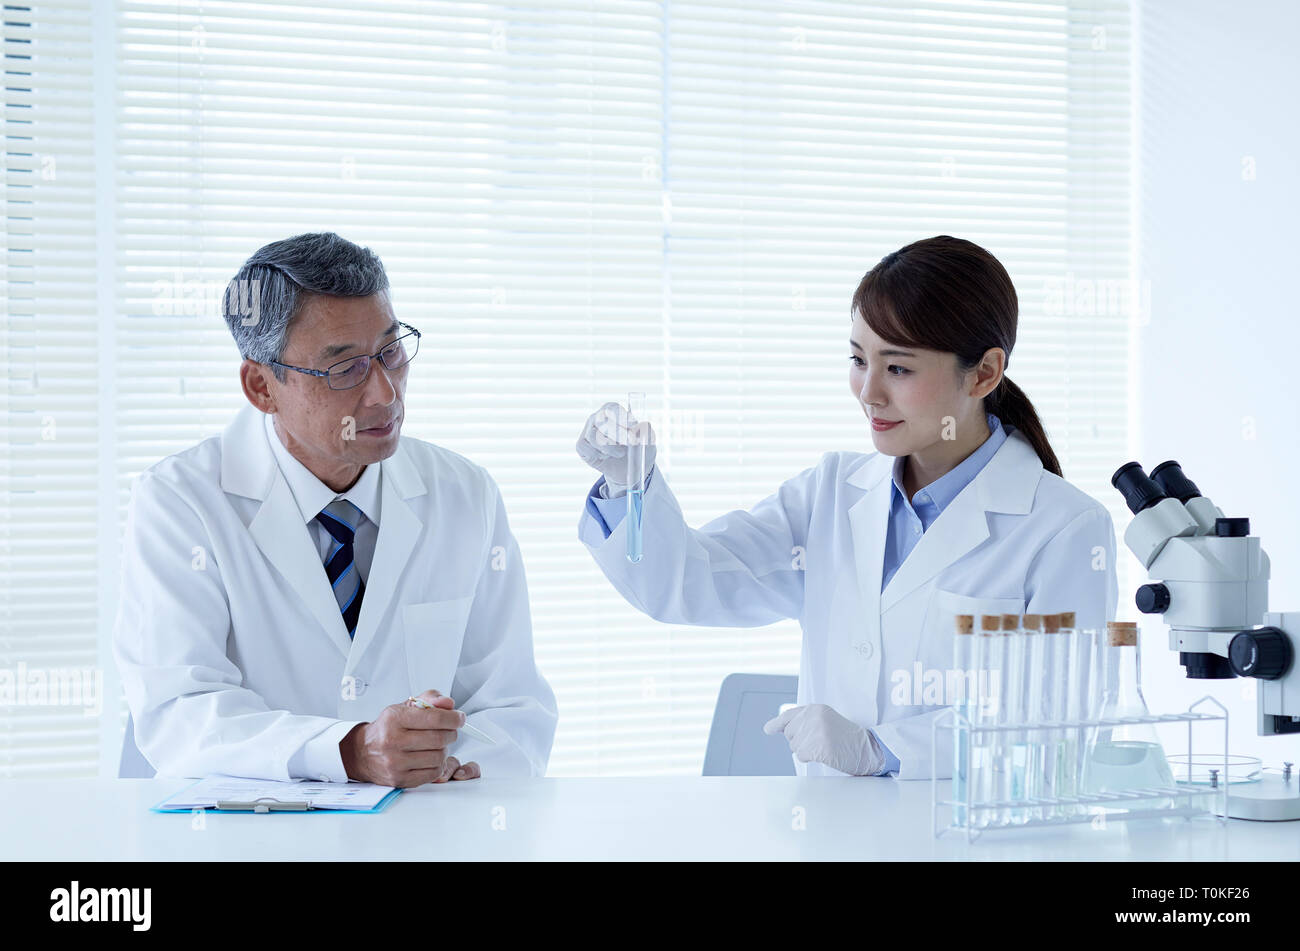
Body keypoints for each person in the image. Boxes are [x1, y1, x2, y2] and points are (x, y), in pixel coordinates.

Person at [576, 235, 1117, 779]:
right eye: (859, 360)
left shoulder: (1064, 527)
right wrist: (631, 488)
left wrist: (885, 749)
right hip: (831, 835)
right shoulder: (831, 494)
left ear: (983, 373)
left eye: (899, 369)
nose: (869, 393)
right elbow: (688, 584)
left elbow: (1058, 727)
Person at [113, 232, 556, 786]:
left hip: (422, 831)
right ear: (261, 386)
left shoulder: (465, 494)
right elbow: (179, 712)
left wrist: (454, 769)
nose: (385, 395)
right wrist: (348, 752)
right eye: (344, 369)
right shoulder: (180, 503)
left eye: (391, 353)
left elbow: (512, 703)